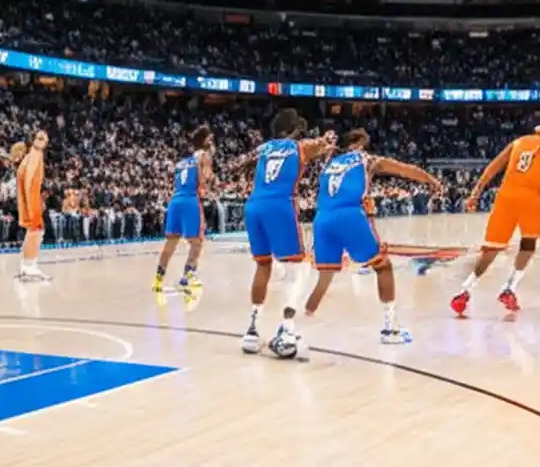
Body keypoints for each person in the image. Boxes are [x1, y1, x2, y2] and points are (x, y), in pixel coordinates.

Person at [292, 128, 442, 352]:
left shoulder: (328, 164)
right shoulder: (366, 159)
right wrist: (431, 180)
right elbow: (403, 169)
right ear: (359, 143)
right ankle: (391, 329)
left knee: (325, 275)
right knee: (383, 266)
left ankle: (297, 323)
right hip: (349, 215)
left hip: (322, 219)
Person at [452, 119, 540, 316]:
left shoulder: (518, 142)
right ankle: (510, 288)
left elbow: (493, 167)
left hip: (506, 195)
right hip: (531, 197)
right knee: (528, 244)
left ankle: (464, 291)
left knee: (492, 247)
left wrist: (475, 193)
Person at [237, 109, 335, 355]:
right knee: (299, 268)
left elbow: (240, 163)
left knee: (262, 265)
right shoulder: (299, 147)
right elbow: (323, 144)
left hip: (253, 205)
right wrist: (328, 139)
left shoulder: (264, 148)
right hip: (279, 206)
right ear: (294, 129)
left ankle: (252, 330)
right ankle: (288, 330)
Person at [154, 126, 215, 291]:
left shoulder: (181, 162)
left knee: (171, 242)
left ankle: (159, 279)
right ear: (205, 141)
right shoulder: (203, 156)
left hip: (175, 200)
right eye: (211, 139)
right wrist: (210, 181)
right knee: (197, 243)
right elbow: (204, 181)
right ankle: (188, 276)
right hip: (190, 200)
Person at [13, 130, 50, 282]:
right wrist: (33, 203)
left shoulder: (30, 156)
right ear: (33, 140)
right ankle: (30, 266)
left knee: (33, 231)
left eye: (45, 138)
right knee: (36, 230)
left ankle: (27, 266)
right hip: (31, 197)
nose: (43, 140)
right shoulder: (35, 155)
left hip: (29, 197)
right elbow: (29, 182)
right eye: (39, 138)